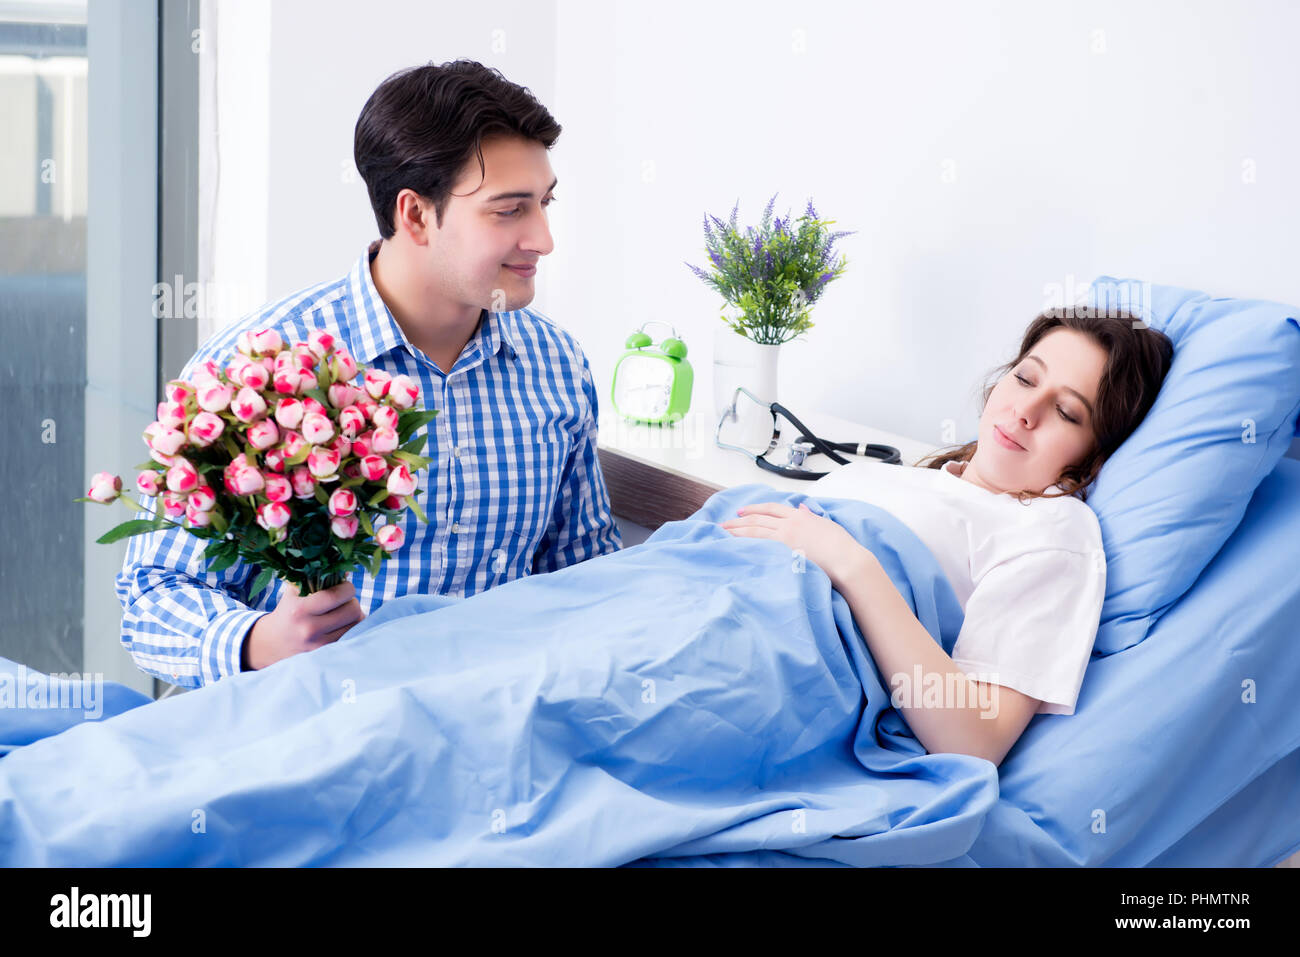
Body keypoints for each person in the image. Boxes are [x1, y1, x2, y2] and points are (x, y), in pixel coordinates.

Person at [116, 60, 622, 689]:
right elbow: (153, 595)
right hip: (321, 738)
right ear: (414, 215)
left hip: (506, 735)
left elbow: (587, 577)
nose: (543, 239)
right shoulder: (254, 370)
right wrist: (256, 643)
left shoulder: (557, 367)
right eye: (509, 210)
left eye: (543, 204)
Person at [720, 307, 1174, 766]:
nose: (1025, 412)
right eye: (1025, 379)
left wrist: (850, 564)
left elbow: (975, 742)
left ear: (1093, 454)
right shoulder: (907, 479)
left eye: (1065, 411)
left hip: (762, 657)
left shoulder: (1052, 528)